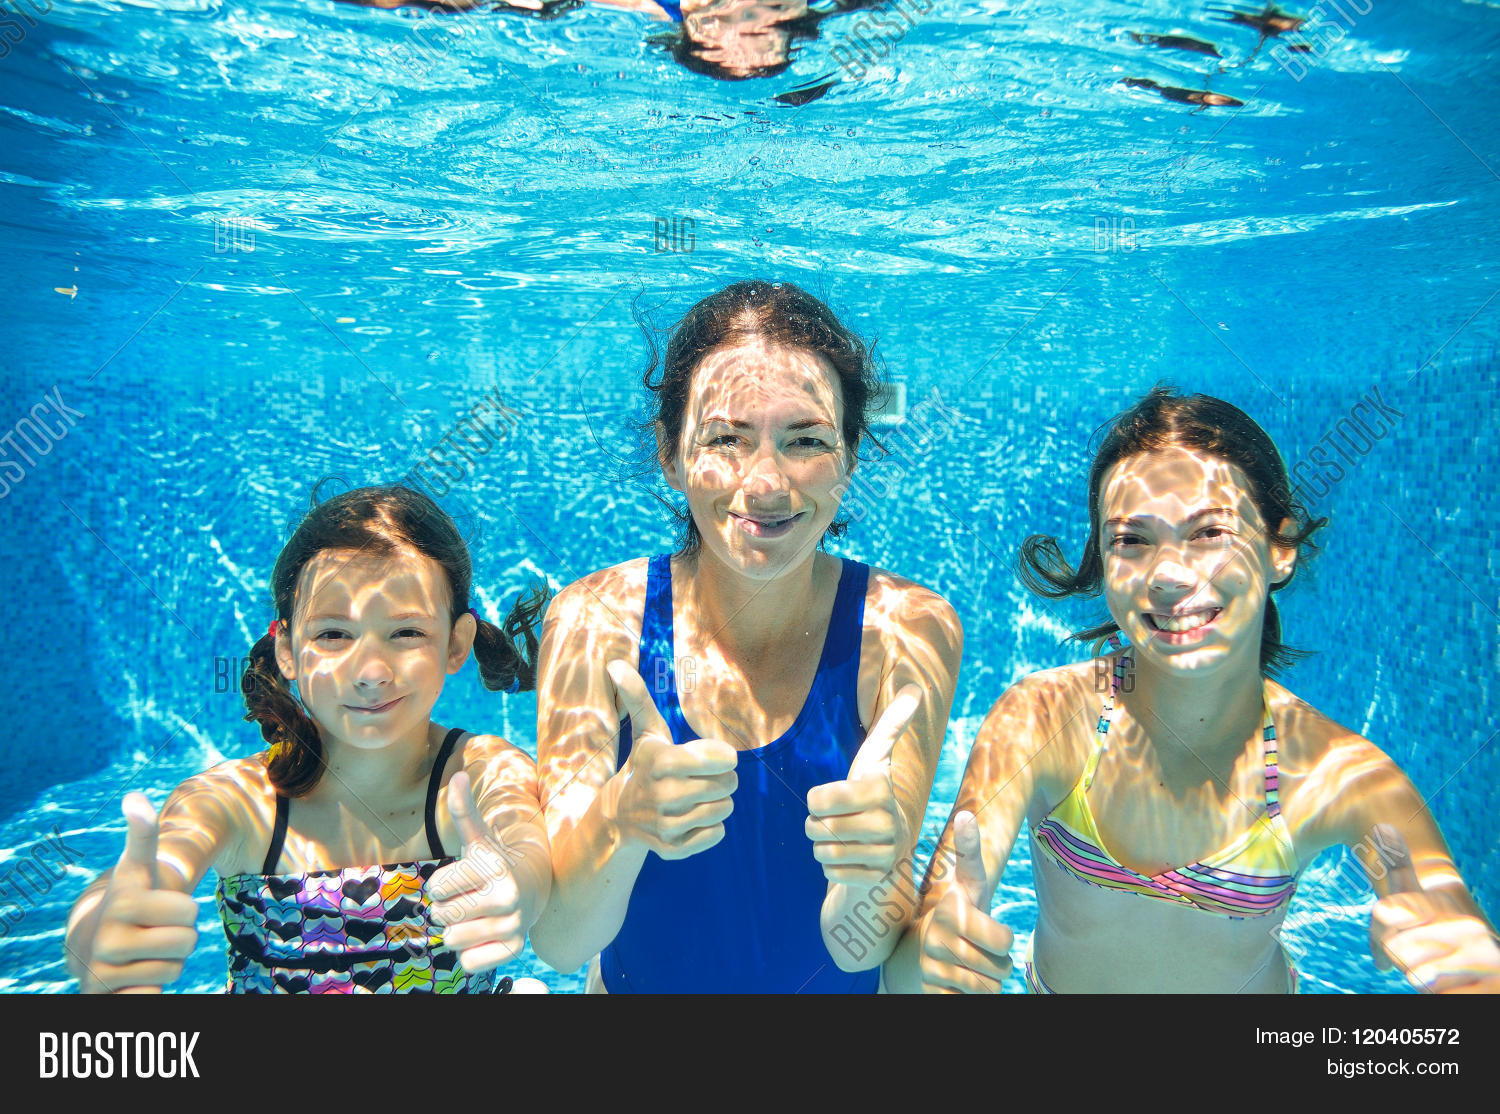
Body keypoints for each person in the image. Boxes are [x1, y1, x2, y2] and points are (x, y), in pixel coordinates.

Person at [886, 386, 1500, 993]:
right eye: (1132, 540)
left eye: (1210, 533)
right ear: (1103, 561)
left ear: (1279, 547)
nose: (1170, 576)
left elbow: (1455, 931)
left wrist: (1473, 966)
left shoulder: (1338, 772)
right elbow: (915, 963)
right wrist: (931, 953)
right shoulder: (1042, 718)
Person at [529, 280, 962, 992]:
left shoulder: (907, 629)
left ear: (850, 456)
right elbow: (562, 939)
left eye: (806, 440)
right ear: (670, 455)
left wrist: (869, 871)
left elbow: (863, 951)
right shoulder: (593, 621)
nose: (765, 483)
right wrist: (621, 819)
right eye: (726, 438)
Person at [64, 483, 553, 993]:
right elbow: (162, 860)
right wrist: (101, 924)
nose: (370, 672)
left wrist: (517, 888)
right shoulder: (242, 799)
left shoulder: (476, 772)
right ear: (287, 650)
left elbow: (522, 843)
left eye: (406, 632)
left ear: (456, 644)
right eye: (333, 634)